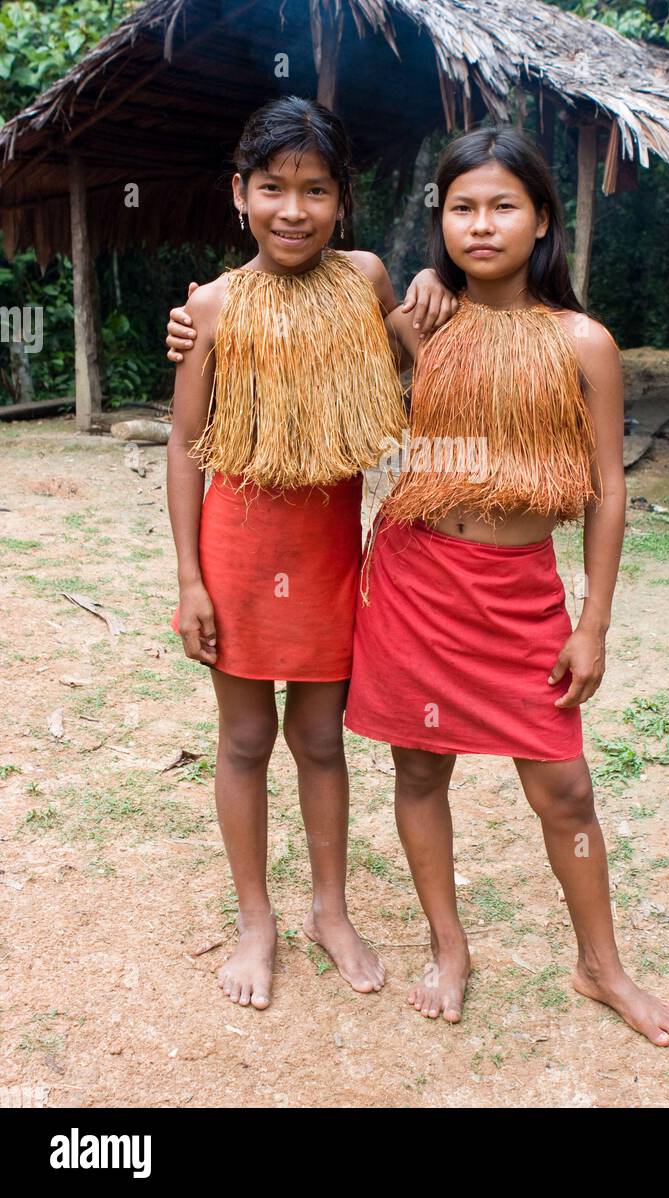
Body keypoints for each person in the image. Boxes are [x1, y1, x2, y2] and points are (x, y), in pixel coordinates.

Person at [344, 126, 669, 1046]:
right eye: (462, 208)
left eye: (503, 207)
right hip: (414, 578)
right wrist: (193, 323)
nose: (481, 225)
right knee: (419, 766)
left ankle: (599, 966)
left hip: (519, 591)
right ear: (440, 220)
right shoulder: (419, 322)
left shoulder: (582, 342)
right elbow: (311, 302)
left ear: (542, 222)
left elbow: (610, 490)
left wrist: (595, 622)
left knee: (565, 788)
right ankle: (449, 947)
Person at [166, 95, 455, 1010]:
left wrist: (437, 290)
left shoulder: (367, 279)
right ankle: (258, 920)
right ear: (240, 196)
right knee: (246, 737)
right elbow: (184, 444)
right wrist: (189, 579)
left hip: (332, 553)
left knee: (321, 740)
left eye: (316, 190)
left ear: (342, 201)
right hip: (239, 553)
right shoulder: (211, 306)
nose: (293, 210)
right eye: (273, 188)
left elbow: (429, 359)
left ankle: (331, 910)